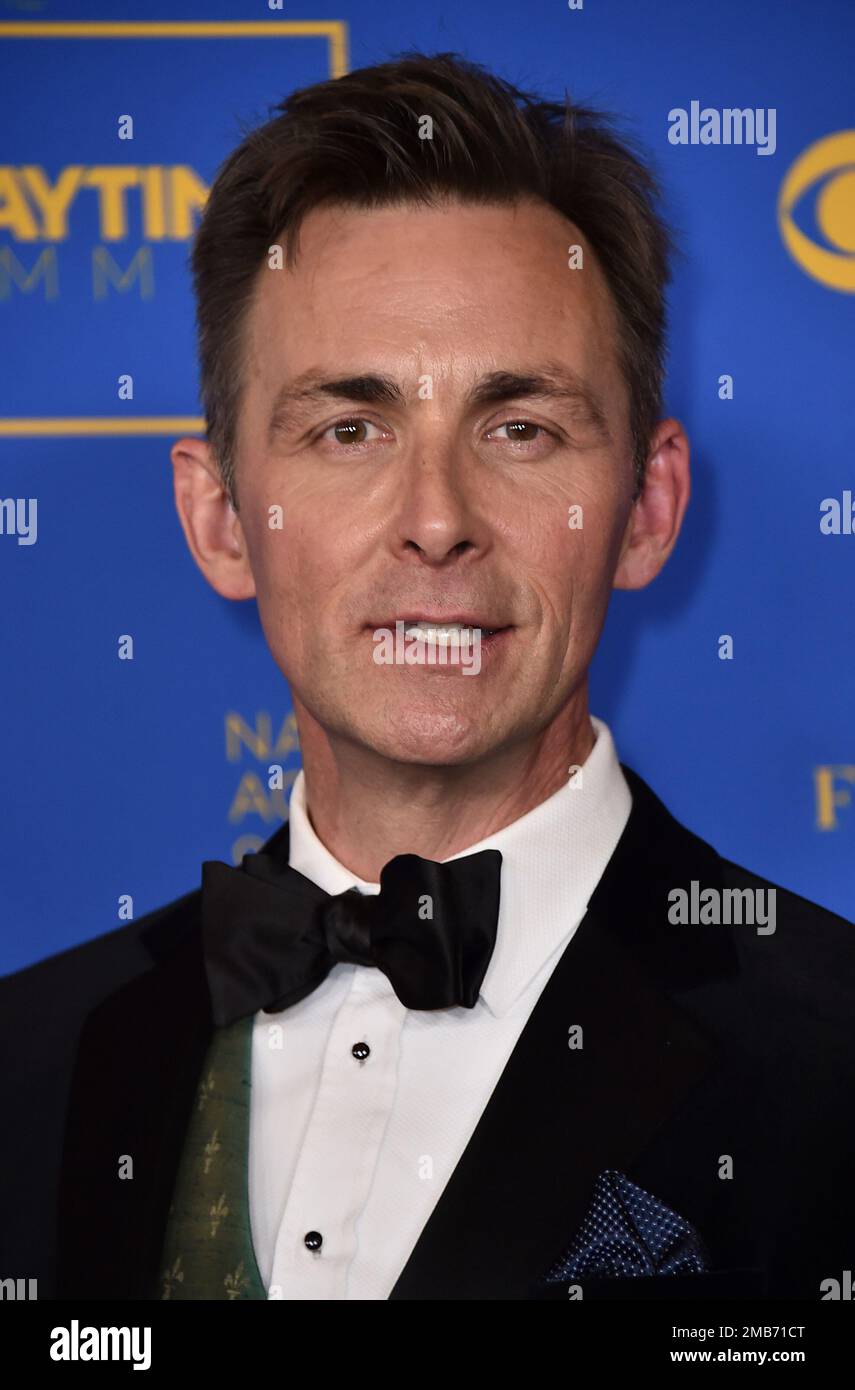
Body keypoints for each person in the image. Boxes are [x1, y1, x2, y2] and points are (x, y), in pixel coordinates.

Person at [2, 51, 853, 1303]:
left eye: (521, 429)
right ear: (222, 518)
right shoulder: (29, 1057)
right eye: (349, 429)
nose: (437, 520)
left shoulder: (835, 1058)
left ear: (647, 507)